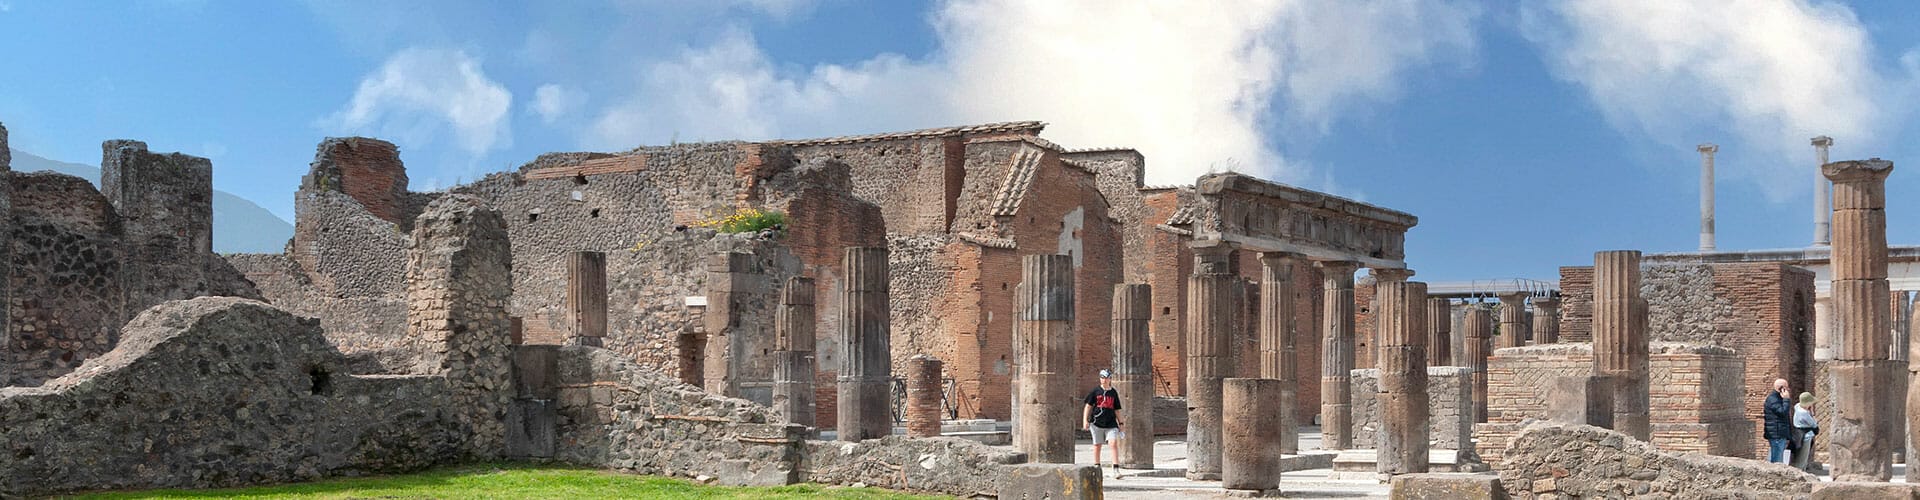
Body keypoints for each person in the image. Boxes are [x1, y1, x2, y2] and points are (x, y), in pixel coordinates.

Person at [1084, 369, 1123, 477]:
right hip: (1096, 422)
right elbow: (1088, 406)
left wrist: (1121, 423)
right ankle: (1097, 466)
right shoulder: (1095, 391)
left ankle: (1116, 468)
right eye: (1102, 378)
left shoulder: (1113, 392)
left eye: (1106, 378)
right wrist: (1085, 420)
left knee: (1113, 443)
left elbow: (1117, 409)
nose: (1104, 380)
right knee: (1097, 445)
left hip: (1111, 423)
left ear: (1110, 379)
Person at [1764, 378, 1793, 463]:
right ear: (1781, 388)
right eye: (1786, 388)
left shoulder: (1779, 399)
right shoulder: (1773, 399)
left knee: (1779, 458)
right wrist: (1786, 400)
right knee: (1777, 460)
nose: (1788, 390)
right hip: (1776, 434)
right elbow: (1782, 412)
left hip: (1780, 432)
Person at [1791, 391, 1819, 471]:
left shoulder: (1797, 406)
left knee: (1799, 454)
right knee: (1803, 457)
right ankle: (1801, 471)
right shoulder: (1804, 413)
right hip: (1806, 436)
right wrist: (1812, 413)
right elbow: (1813, 424)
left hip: (1797, 433)